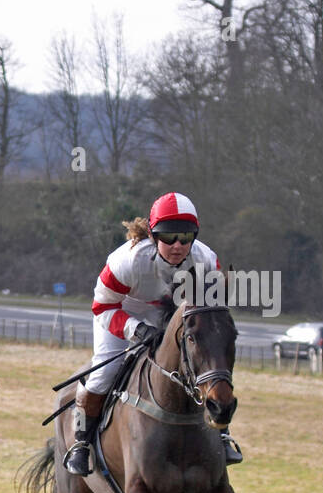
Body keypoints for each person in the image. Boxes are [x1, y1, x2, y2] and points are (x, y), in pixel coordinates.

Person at [63, 192, 242, 477]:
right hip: (121, 314)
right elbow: (102, 306)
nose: (178, 245)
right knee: (103, 375)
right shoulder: (127, 260)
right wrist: (136, 329)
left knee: (207, 367)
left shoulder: (206, 260)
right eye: (168, 237)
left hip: (172, 318)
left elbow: (210, 311)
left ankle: (221, 433)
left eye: (185, 236)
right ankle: (81, 444)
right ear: (153, 235)